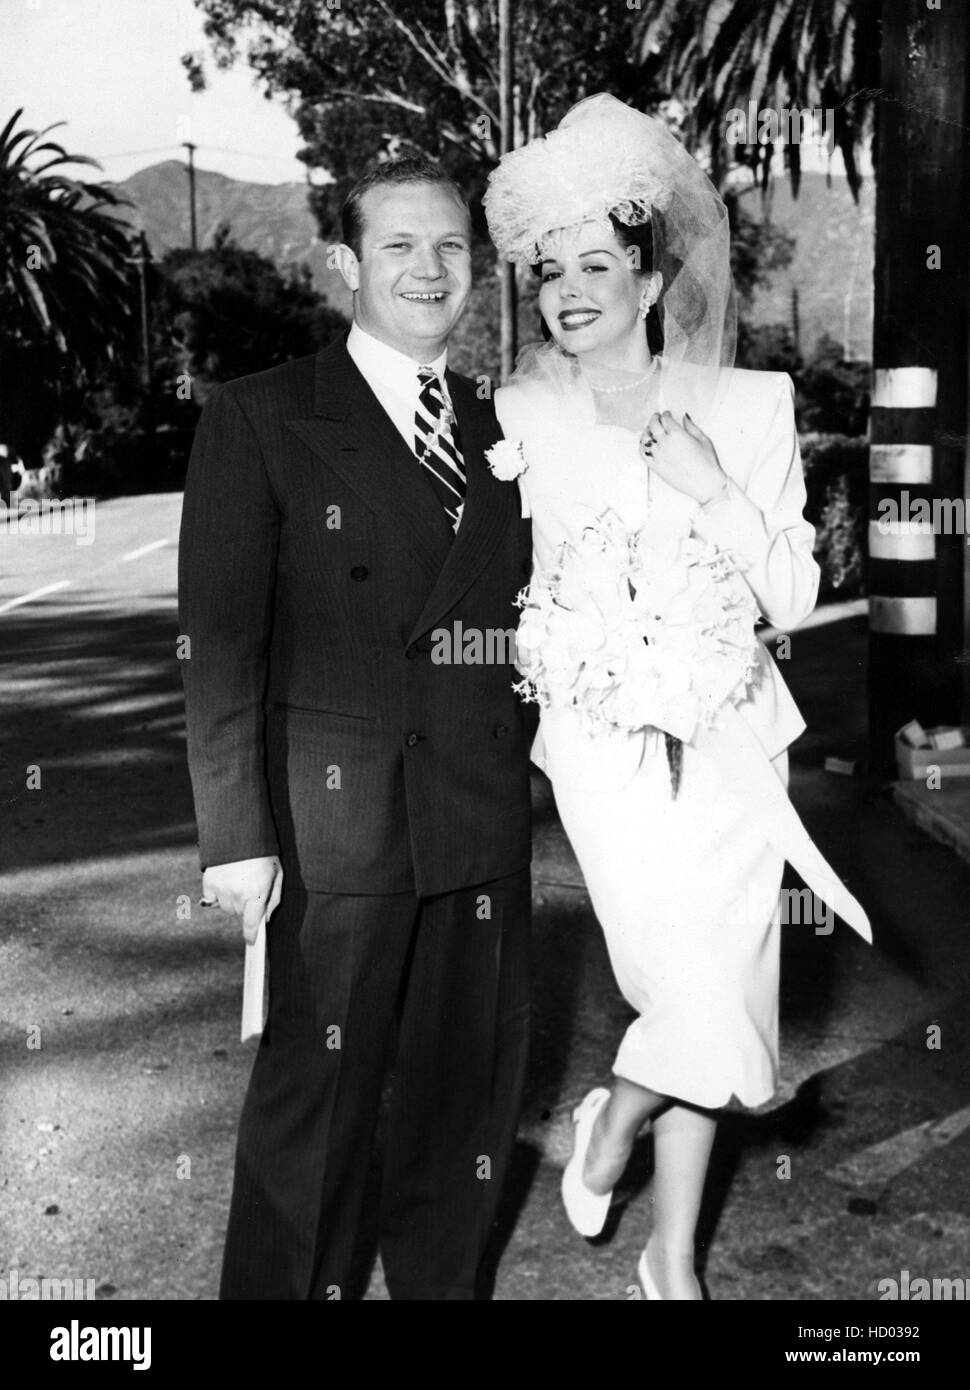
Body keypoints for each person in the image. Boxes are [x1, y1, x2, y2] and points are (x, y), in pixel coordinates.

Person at [483, 94, 871, 1300]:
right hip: (599, 750)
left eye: (599, 265)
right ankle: (614, 1135)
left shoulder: (748, 405)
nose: (570, 291)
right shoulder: (518, 413)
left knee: (715, 993)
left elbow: (797, 591)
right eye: (552, 272)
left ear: (650, 284)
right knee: (698, 1000)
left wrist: (714, 492)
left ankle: (667, 1250)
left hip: (730, 746)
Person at [178, 155, 534, 1301]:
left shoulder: (500, 422)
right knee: (315, 1117)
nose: (429, 270)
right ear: (343, 265)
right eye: (399, 246)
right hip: (335, 835)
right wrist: (236, 834)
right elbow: (222, 643)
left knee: (460, 1106)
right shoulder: (265, 414)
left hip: (477, 825)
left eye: (449, 248)